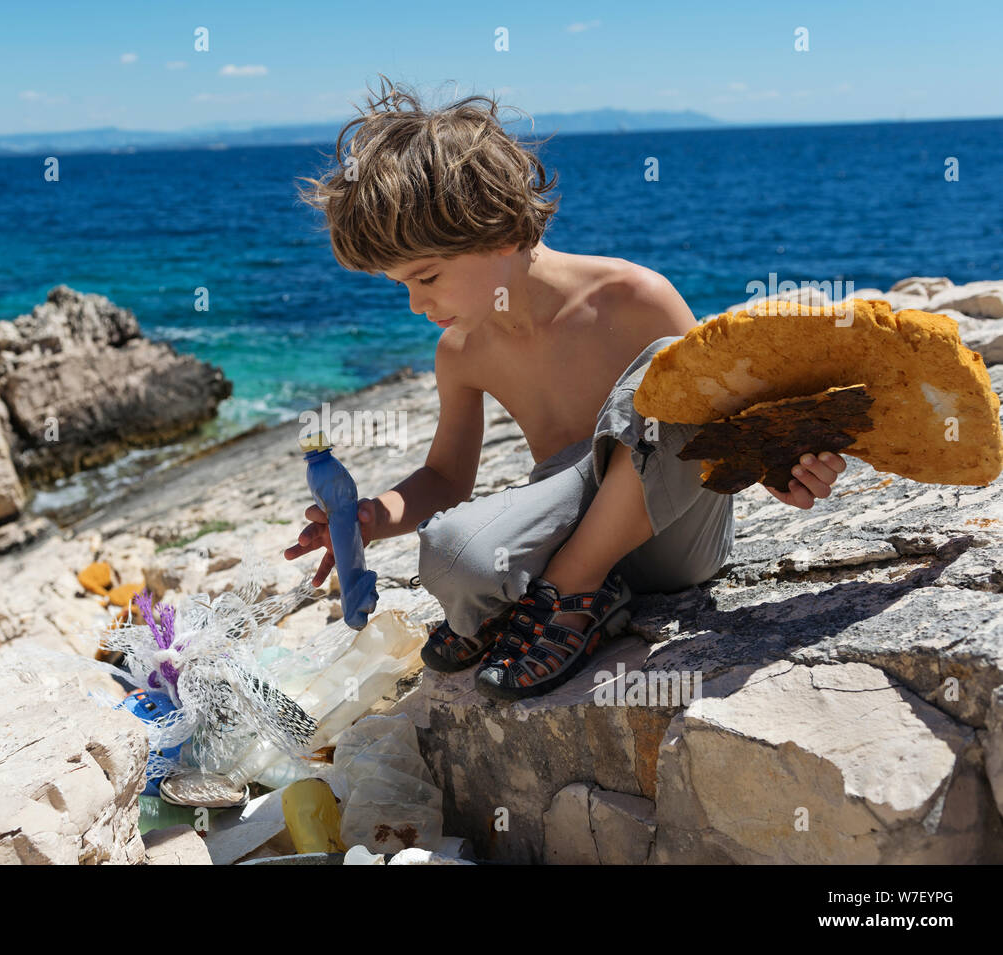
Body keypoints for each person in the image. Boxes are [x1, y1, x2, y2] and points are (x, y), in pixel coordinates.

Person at [285, 76, 845, 701]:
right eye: (401, 286)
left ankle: (574, 588)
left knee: (675, 367)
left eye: (429, 277)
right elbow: (445, 480)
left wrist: (788, 471)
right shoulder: (462, 351)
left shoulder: (633, 299)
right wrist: (370, 518)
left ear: (497, 230)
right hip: (568, 515)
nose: (417, 304)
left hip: (675, 541)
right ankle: (584, 595)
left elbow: (724, 427)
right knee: (448, 554)